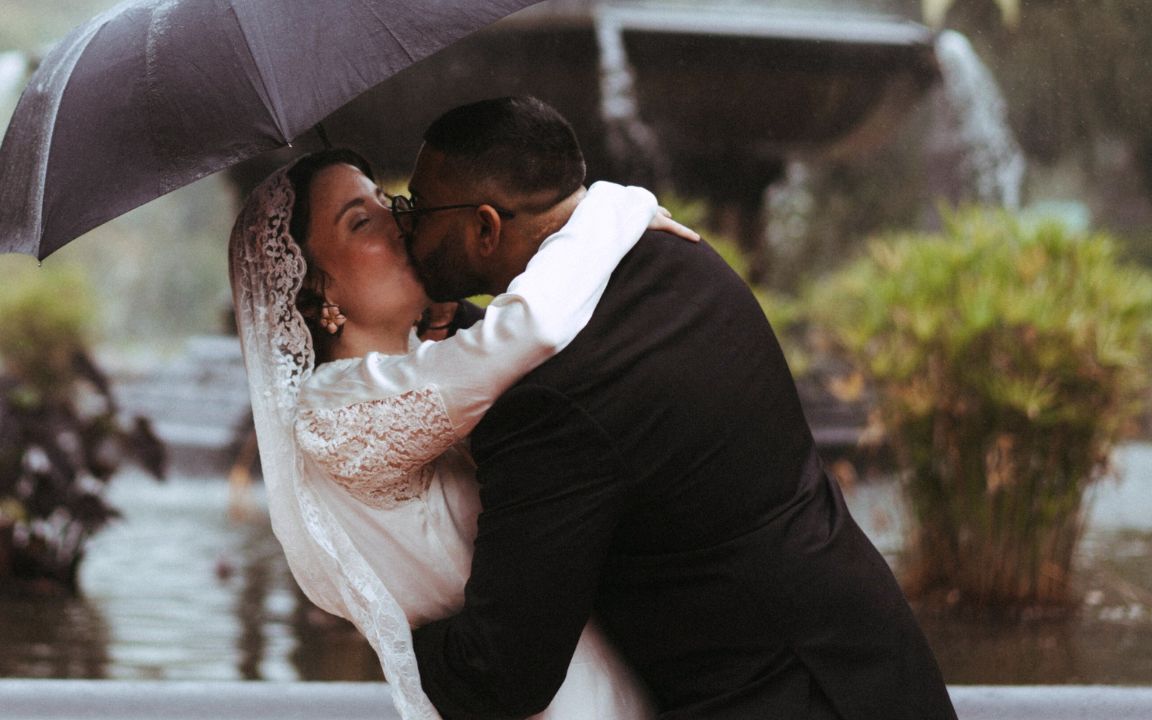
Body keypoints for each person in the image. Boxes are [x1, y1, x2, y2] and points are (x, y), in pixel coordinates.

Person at [404, 96, 959, 720]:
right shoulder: (670, 253)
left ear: (485, 227)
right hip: (870, 662)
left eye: (417, 211)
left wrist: (391, 630)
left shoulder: (551, 402)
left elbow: (504, 674)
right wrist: (467, 328)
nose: (404, 227)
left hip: (780, 698)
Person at [229, 147, 697, 720]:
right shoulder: (337, 415)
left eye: (387, 201)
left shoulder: (409, 371)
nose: (399, 221)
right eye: (360, 221)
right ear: (317, 290)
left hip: (589, 678)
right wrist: (612, 207)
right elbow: (533, 326)